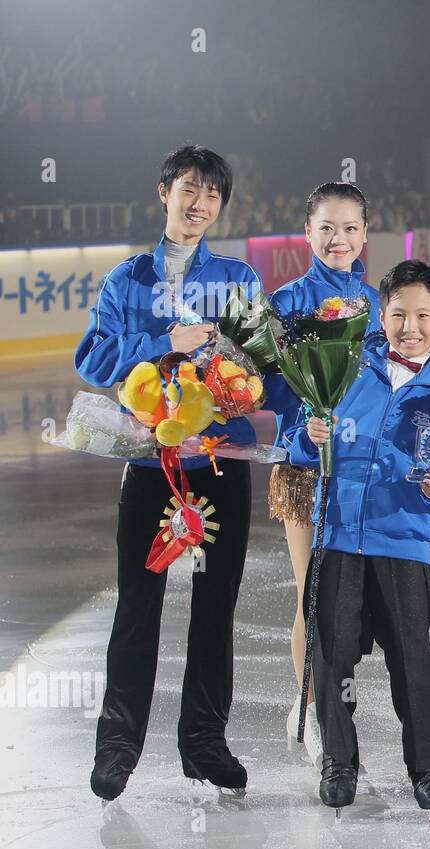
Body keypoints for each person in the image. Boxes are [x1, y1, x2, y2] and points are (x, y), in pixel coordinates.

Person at [76, 145, 261, 801]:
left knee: (215, 608)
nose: (199, 203)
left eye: (212, 193)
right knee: (138, 606)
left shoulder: (239, 280)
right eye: (189, 188)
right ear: (164, 192)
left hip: (221, 465)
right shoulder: (127, 280)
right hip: (152, 467)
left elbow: (261, 369)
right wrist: (165, 343)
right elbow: (94, 360)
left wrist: (243, 382)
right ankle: (118, 746)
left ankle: (203, 742)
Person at [285, 260, 430, 811]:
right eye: (398, 314)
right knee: (331, 654)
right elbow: (297, 443)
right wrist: (309, 435)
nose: (410, 326)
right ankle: (338, 761)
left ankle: (426, 767)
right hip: (337, 536)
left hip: (401, 541)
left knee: (412, 658)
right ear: (380, 315)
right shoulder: (340, 371)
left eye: (422, 315)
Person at [264, 181, 381, 769]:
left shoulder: (380, 305)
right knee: (312, 593)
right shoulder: (286, 304)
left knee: (348, 600)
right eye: (327, 229)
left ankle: (333, 702)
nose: (339, 240)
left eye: (350, 228)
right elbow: (267, 386)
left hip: (364, 470)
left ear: (365, 233)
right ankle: (311, 705)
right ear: (307, 233)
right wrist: (304, 414)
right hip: (307, 469)